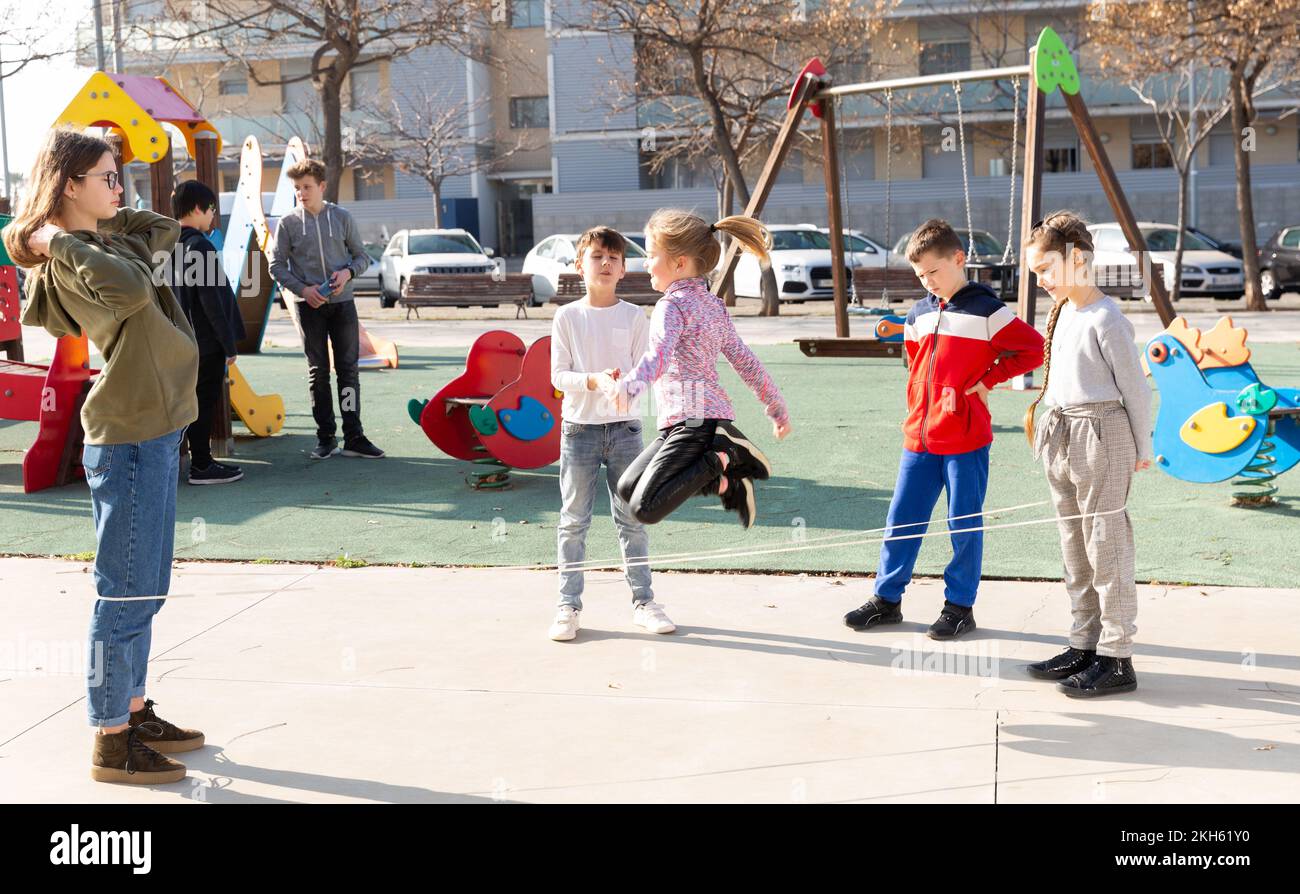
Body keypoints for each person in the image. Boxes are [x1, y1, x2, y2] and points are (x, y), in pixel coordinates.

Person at [4, 128, 206, 784]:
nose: (120, 188)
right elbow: (129, 295)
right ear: (70, 184)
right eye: (107, 177)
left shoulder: (107, 236)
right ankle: (110, 738)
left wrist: (105, 211)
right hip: (126, 436)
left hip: (157, 429)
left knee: (146, 587)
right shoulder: (73, 256)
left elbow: (166, 229)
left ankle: (135, 708)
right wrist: (56, 237)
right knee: (121, 593)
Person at [843, 218, 1044, 640]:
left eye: (934, 271)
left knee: (963, 524)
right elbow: (915, 364)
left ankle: (959, 607)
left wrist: (987, 379)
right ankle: (887, 599)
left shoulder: (989, 311)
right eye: (920, 275)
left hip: (965, 441)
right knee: (901, 520)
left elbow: (1033, 349)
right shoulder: (916, 314)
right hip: (918, 438)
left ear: (958, 259)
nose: (928, 281)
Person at [1021, 211, 1152, 697]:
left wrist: (1144, 446)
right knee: (1074, 546)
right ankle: (1085, 644)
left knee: (1106, 547)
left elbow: (1136, 389)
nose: (1041, 282)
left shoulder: (1106, 318)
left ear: (1078, 259)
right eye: (1036, 273)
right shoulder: (1062, 313)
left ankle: (1118, 658)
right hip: (1062, 434)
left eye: (1046, 270)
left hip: (1103, 435)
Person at [608, 209, 792, 530]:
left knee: (645, 508)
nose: (646, 263)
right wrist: (775, 406)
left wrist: (631, 386)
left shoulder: (672, 305)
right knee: (627, 487)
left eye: (651, 256)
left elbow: (659, 355)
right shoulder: (713, 305)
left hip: (693, 421)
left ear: (679, 262)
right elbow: (745, 361)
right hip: (686, 419)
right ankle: (727, 485)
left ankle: (726, 454)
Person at [548, 226, 674, 641]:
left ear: (623, 268)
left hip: (626, 432)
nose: (605, 264)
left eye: (613, 258)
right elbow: (558, 376)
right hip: (579, 431)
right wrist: (594, 381)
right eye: (597, 256)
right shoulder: (566, 316)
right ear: (579, 264)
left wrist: (625, 389)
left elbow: (646, 370)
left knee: (633, 519)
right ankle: (568, 606)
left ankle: (644, 602)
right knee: (573, 521)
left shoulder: (636, 316)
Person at [267, 158, 383, 460]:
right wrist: (303, 291)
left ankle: (354, 436)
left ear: (321, 186)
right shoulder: (288, 223)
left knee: (348, 371)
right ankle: (326, 437)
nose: (301, 193)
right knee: (318, 373)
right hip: (309, 307)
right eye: (297, 188)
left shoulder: (342, 217)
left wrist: (347, 273)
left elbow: (362, 257)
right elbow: (275, 266)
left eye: (306, 187)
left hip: (343, 305)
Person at [170, 179, 245, 485]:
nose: (213, 215)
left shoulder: (168, 244)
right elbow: (211, 300)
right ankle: (201, 464)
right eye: (212, 209)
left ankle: (179, 459)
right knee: (202, 401)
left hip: (177, 339)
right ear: (199, 209)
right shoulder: (200, 246)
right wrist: (229, 345)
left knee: (183, 402)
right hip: (205, 342)